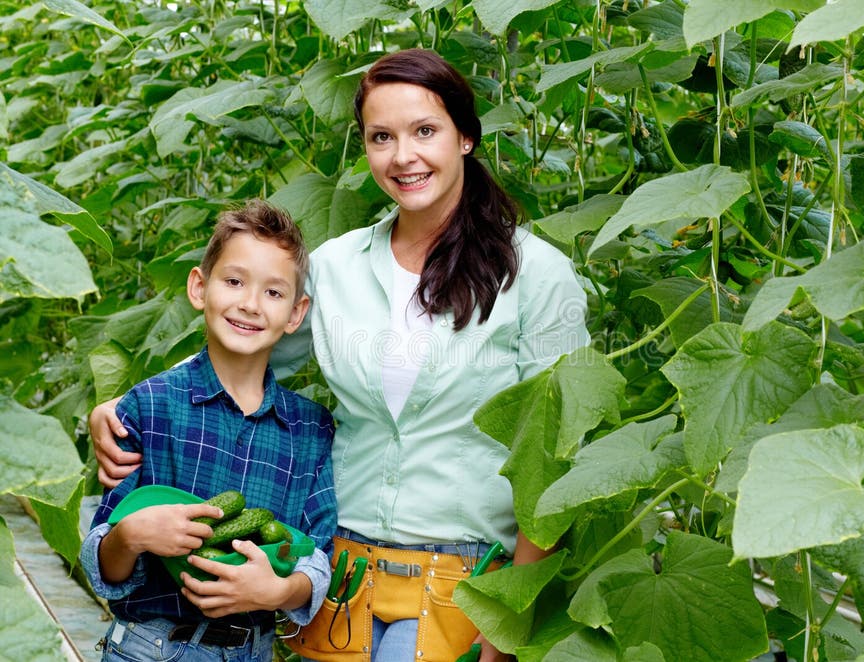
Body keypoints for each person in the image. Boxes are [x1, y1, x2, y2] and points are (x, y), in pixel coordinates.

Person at [91, 49, 589, 662]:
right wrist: (125, 408)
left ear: (466, 136)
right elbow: (245, 354)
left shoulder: (537, 275)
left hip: (466, 581)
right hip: (337, 581)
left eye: (425, 131)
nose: (403, 156)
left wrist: (508, 620)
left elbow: (554, 461)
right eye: (382, 137)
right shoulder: (335, 267)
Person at [81, 200, 338, 662]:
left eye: (273, 293)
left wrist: (278, 591)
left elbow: (317, 557)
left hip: (252, 650)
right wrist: (133, 534)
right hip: (148, 647)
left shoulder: (312, 429)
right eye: (234, 281)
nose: (249, 304)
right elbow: (103, 563)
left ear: (296, 314)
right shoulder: (149, 406)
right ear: (200, 287)